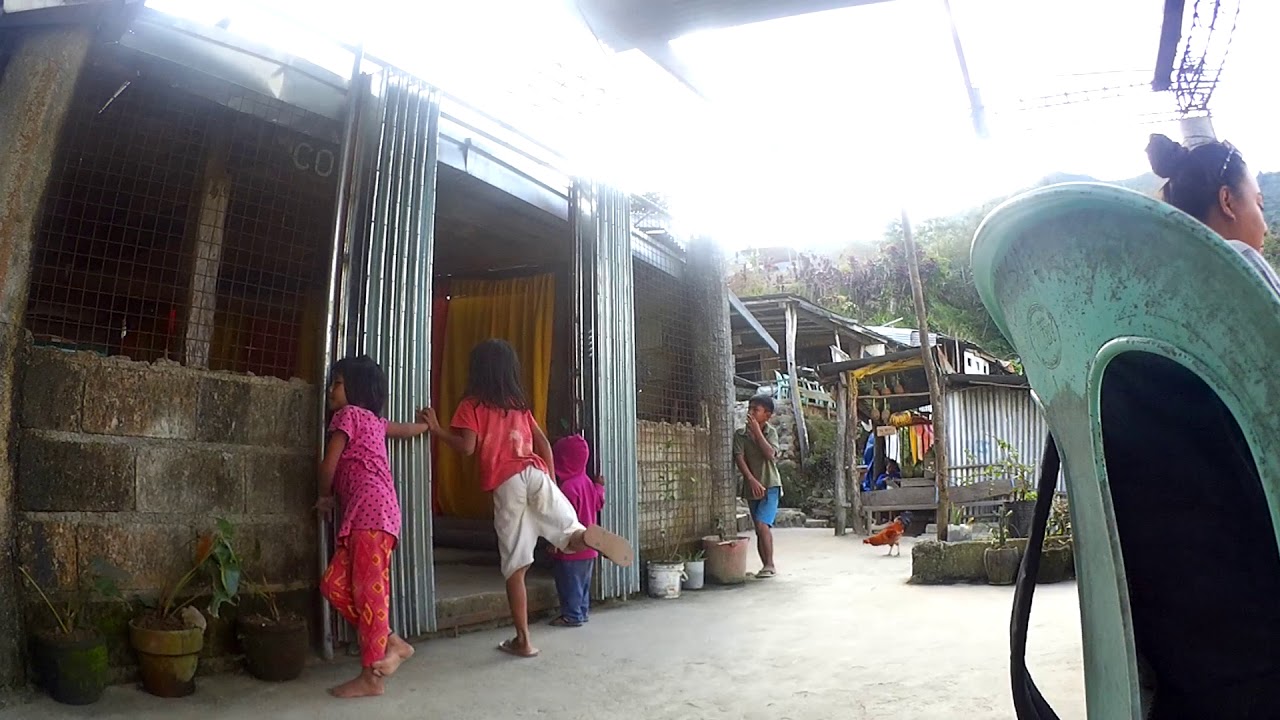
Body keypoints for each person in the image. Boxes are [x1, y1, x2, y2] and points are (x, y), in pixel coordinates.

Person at [425, 339, 632, 658]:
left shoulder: (472, 406)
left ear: (477, 370)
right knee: (568, 532)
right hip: (537, 474)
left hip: (507, 485)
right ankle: (584, 536)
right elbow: (545, 445)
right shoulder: (519, 406)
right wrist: (550, 484)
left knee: (516, 567)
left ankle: (523, 641)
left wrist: (437, 430)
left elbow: (466, 447)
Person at [315, 355, 427, 698]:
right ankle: (393, 642)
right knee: (333, 585)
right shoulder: (375, 422)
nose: (331, 389)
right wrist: (424, 427)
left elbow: (328, 466)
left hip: (371, 514)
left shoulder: (347, 416)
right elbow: (402, 430)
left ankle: (371, 677)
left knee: (369, 594)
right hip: (371, 516)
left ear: (357, 389)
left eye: (338, 382)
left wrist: (324, 497)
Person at [1146, 134, 1277, 293]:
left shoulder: (1162, 280)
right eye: (1259, 205)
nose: (1265, 228)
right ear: (1227, 201)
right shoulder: (1242, 261)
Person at [547, 434, 606, 628]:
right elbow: (598, 502)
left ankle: (571, 616)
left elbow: (562, 520)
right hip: (589, 548)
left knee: (568, 583)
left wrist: (555, 544)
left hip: (571, 547)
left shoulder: (567, 488)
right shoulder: (587, 482)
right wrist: (600, 486)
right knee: (583, 583)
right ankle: (582, 611)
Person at [734, 394, 783, 578]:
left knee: (763, 525)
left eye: (756, 410)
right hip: (751, 486)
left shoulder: (770, 432)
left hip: (770, 484)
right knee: (758, 528)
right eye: (750, 409)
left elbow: (770, 454)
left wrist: (757, 432)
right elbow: (739, 458)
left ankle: (770, 565)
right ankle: (764, 566)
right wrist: (751, 480)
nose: (751, 413)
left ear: (767, 415)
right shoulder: (740, 434)